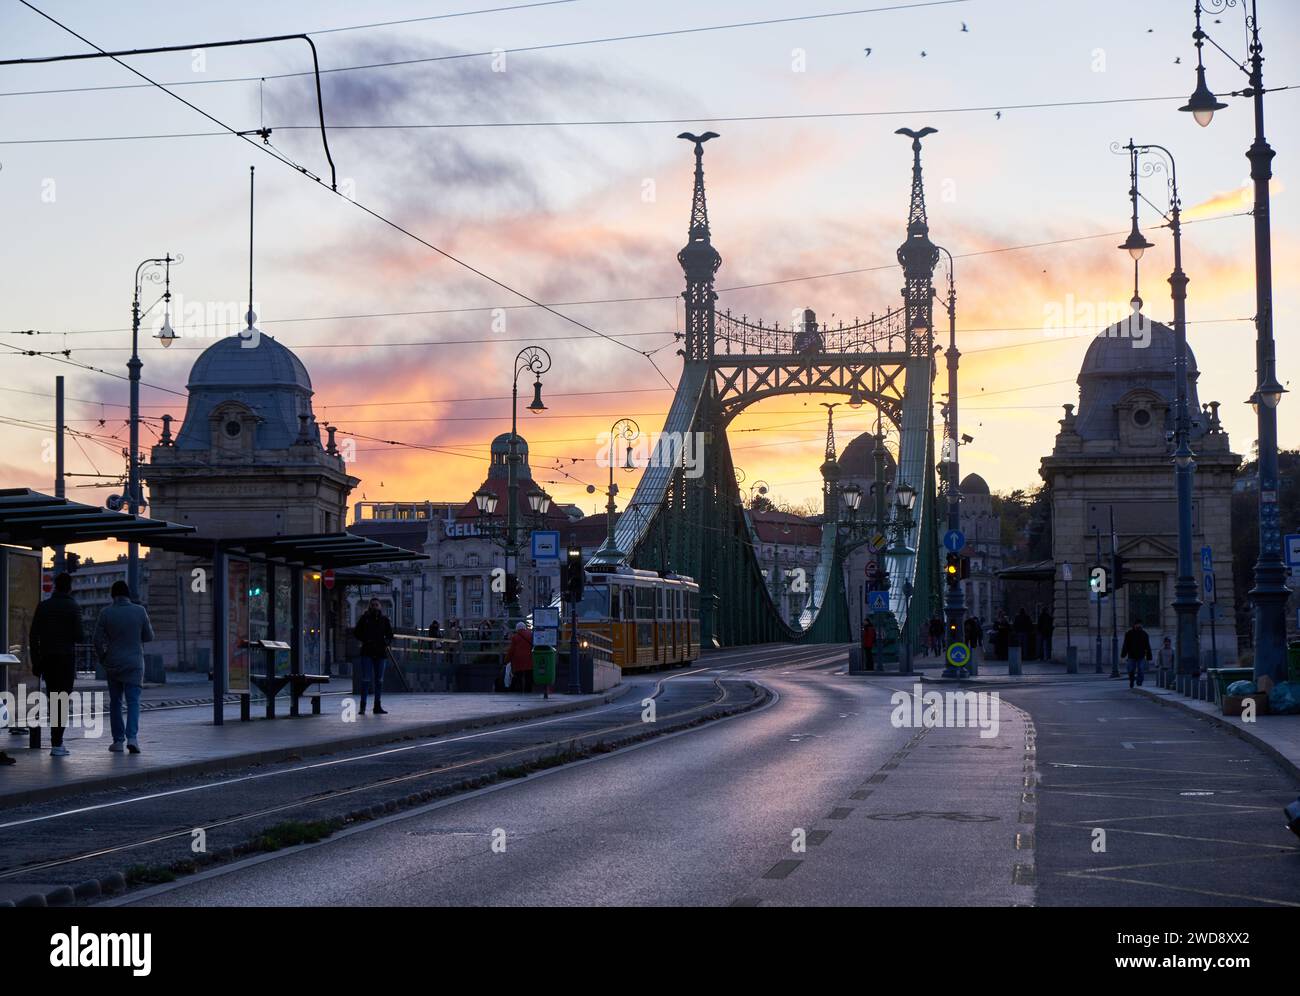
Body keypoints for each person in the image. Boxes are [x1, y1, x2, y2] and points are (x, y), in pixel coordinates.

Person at [93, 580, 153, 754]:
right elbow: (149, 636)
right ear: (128, 594)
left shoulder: (106, 612)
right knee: (133, 701)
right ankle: (132, 738)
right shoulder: (140, 611)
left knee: (116, 702)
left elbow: (96, 640)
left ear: (113, 595)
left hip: (113, 662)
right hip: (134, 663)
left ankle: (118, 741)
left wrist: (103, 657)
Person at [30, 572, 84, 757]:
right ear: (69, 587)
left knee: (53, 698)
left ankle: (56, 741)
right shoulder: (73, 606)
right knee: (62, 700)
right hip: (66, 659)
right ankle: (57, 743)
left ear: (54, 585)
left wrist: (36, 661)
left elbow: (33, 635)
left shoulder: (43, 606)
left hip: (47, 659)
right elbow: (80, 636)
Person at [353, 599, 393, 715]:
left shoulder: (384, 619)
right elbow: (356, 632)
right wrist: (365, 640)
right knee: (366, 680)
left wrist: (386, 642)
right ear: (370, 606)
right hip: (367, 652)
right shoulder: (365, 618)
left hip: (380, 653)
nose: (375, 607)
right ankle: (362, 706)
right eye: (373, 605)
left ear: (380, 606)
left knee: (379, 680)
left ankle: (377, 706)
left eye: (377, 605)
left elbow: (390, 634)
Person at [1121, 618, 1153, 688]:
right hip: (1131, 655)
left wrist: (1149, 656)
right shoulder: (1129, 633)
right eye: (1137, 624)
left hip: (1141, 655)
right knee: (1130, 669)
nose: (1139, 625)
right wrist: (1124, 653)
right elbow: (1126, 644)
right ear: (1134, 625)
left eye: (1140, 624)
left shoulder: (1144, 634)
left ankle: (1139, 682)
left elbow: (1147, 645)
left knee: (1141, 669)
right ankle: (1132, 680)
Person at [506, 621, 534, 694]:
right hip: (529, 659)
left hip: (518, 660)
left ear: (517, 629)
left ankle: (519, 691)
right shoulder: (531, 635)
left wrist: (507, 659)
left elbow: (511, 650)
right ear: (524, 628)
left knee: (518, 677)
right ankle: (528, 691)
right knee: (528, 677)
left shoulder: (515, 637)